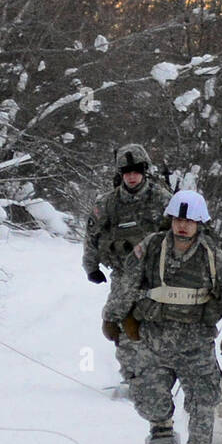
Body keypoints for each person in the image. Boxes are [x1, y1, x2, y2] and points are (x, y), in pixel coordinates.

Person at [104, 189, 222, 444]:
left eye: (190, 221)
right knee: (147, 398)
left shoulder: (213, 256)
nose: (183, 226)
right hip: (153, 339)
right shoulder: (150, 248)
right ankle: (161, 423)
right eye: (178, 219)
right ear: (170, 220)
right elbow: (126, 282)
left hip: (195, 342)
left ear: (199, 223)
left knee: (202, 402)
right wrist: (113, 316)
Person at [82, 144, 174, 391]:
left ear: (144, 171)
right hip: (124, 275)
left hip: (158, 275)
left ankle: (161, 374)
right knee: (121, 324)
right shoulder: (108, 203)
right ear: (120, 174)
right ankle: (133, 375)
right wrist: (91, 267)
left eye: (136, 171)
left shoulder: (162, 199)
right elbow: (92, 236)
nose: (132, 176)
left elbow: (181, 233)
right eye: (127, 172)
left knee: (160, 325)